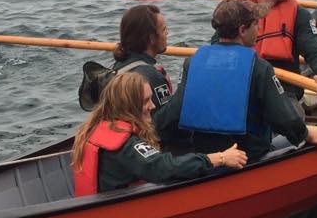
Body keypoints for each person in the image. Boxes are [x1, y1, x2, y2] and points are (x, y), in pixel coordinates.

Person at [155, 0, 317, 162]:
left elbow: (175, 110)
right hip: (249, 155)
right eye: (256, 24)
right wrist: (307, 134)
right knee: (299, 138)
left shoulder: (192, 62)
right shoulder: (260, 67)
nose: (259, 29)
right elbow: (284, 118)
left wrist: (150, 131)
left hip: (207, 154)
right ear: (242, 30)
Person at [72, 72, 247, 196]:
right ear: (130, 106)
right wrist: (219, 158)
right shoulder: (126, 147)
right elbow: (163, 168)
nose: (153, 106)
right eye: (146, 101)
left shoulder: (99, 126)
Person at [111, 4, 175, 108]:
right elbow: (167, 115)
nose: (167, 33)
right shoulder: (154, 77)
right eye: (164, 30)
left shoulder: (118, 66)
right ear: (152, 38)